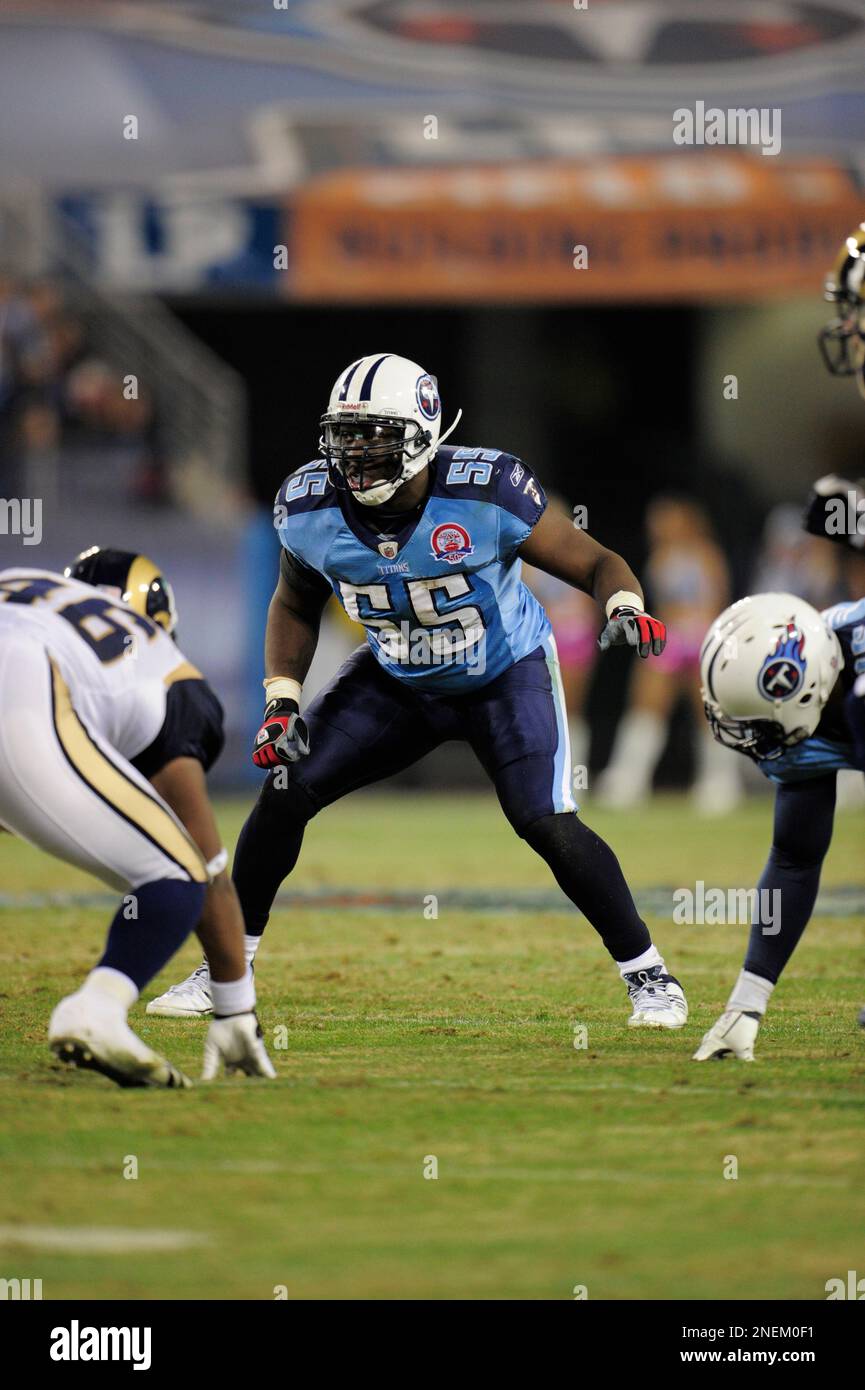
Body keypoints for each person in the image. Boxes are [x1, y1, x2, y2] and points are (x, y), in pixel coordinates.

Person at [152, 353, 688, 1032]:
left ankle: (649, 977)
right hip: (397, 677)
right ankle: (227, 970)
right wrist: (281, 700)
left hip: (501, 672)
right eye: (344, 436)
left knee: (544, 820)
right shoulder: (309, 505)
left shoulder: (485, 488)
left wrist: (621, 606)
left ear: (421, 431)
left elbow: (595, 560)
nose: (355, 453)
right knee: (286, 792)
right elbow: (294, 602)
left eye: (373, 435)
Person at [0, 548, 274, 1087]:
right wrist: (235, 1007)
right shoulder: (162, 665)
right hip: (23, 686)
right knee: (177, 874)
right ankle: (98, 1008)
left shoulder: (22, 581)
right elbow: (208, 865)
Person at [693, 592, 865, 1060]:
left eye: (760, 723)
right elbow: (795, 858)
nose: (750, 738)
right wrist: (746, 1004)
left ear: (807, 689)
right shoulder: (819, 657)